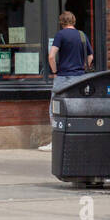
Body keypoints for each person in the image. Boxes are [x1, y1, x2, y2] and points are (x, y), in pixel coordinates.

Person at [39, 11, 95, 151]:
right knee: (78, 109)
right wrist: (82, 67)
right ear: (73, 21)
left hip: (63, 77)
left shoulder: (60, 35)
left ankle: (57, 142)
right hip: (79, 78)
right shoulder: (82, 35)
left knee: (55, 109)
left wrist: (55, 71)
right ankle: (79, 140)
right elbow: (90, 57)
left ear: (61, 22)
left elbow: (51, 56)